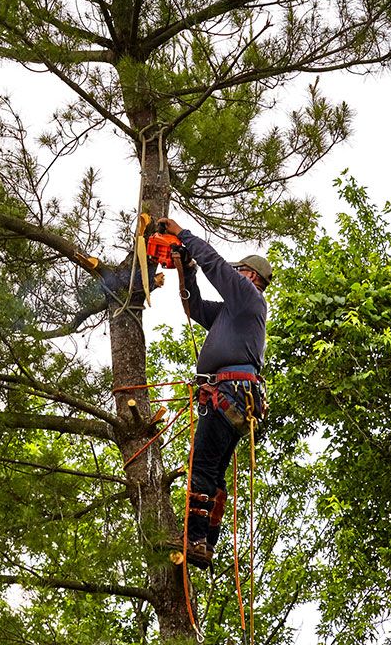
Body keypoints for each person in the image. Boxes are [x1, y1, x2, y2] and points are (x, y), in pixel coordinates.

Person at [157, 217, 270, 570]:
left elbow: (217, 266)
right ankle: (205, 544)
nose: (233, 276)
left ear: (249, 276)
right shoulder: (231, 314)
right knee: (213, 472)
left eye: (239, 272)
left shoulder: (248, 298)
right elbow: (194, 308)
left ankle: (195, 539)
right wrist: (184, 269)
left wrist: (184, 236)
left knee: (202, 467)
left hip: (230, 393)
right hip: (233, 396)